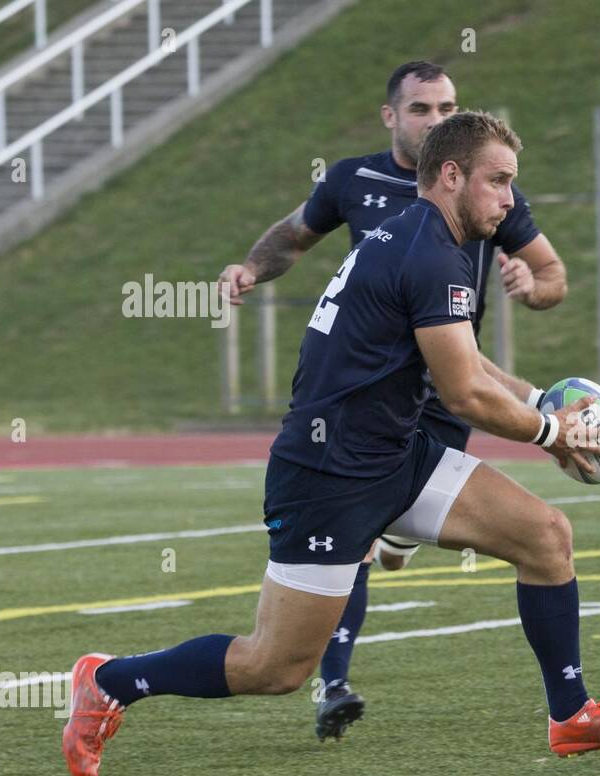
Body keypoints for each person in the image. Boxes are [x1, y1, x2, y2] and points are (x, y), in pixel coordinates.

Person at [63, 112, 600, 776]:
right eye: (497, 182)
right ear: (450, 175)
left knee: (546, 536)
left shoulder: (428, 238)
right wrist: (552, 435)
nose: (508, 200)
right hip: (329, 476)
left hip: (394, 456)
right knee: (276, 669)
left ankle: (571, 714)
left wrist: (539, 407)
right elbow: (465, 393)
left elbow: (469, 363)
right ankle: (108, 680)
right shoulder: (429, 252)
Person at [218, 62, 568, 740]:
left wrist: (533, 287)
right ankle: (334, 678)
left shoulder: (486, 196)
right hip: (367, 410)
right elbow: (292, 236)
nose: (435, 118)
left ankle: (572, 713)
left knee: (542, 533)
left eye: (448, 106)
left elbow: (551, 277)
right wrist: (251, 267)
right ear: (393, 119)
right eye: (421, 108)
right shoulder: (363, 188)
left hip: (433, 387)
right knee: (283, 651)